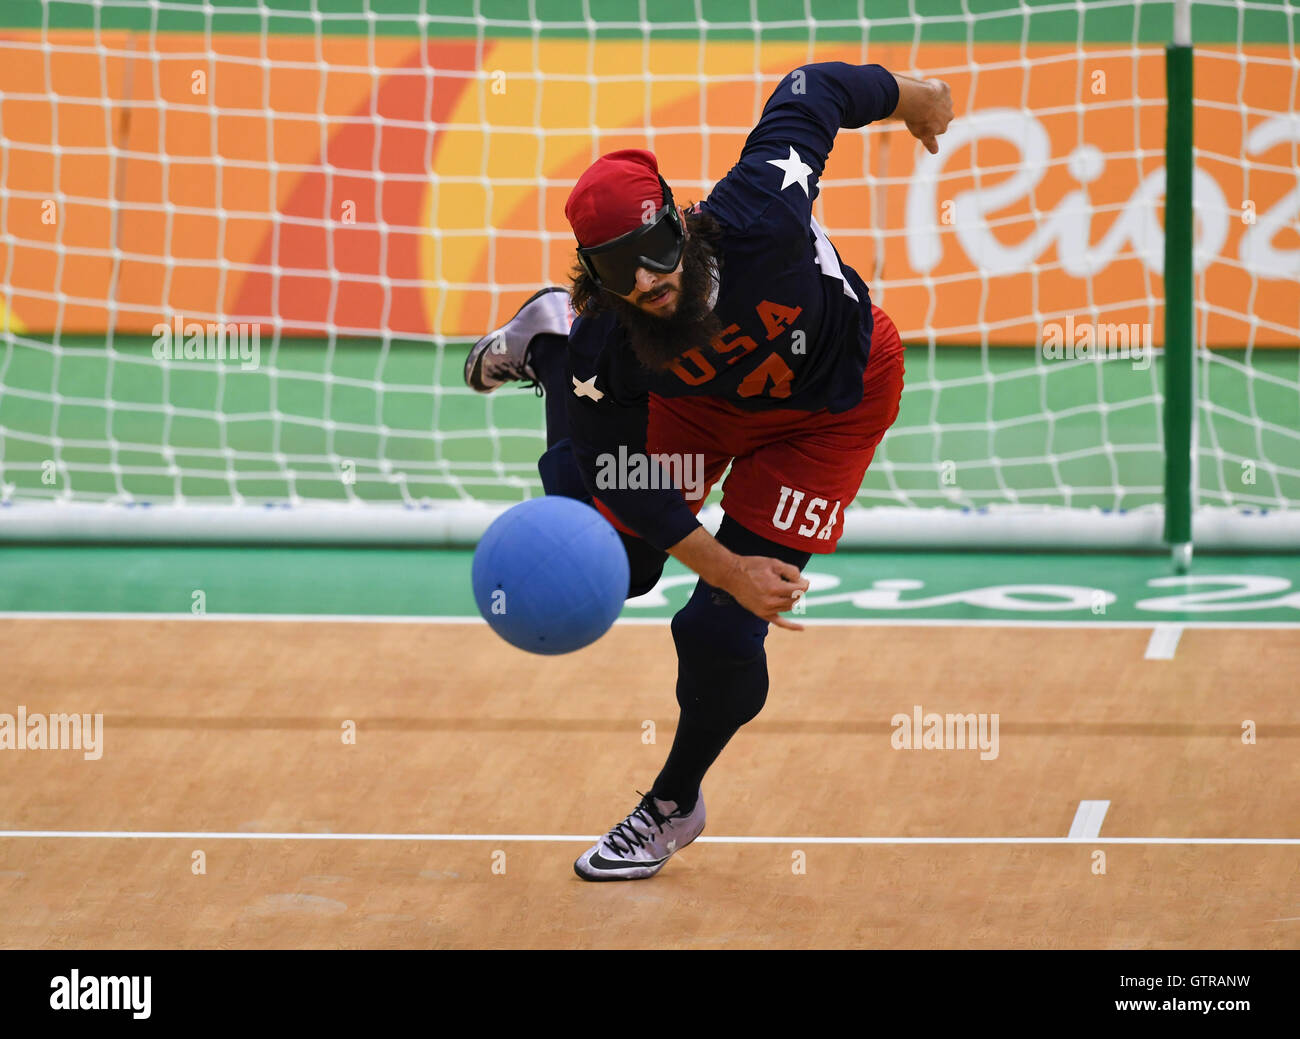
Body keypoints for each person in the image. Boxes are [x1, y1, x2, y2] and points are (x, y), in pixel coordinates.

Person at [464, 62, 953, 880]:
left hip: (830, 408)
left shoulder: (761, 207)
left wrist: (914, 98)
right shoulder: (613, 341)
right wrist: (723, 562)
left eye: (657, 251)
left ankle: (670, 805)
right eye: (620, 271)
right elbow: (615, 469)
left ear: (680, 226)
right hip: (691, 403)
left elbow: (816, 87)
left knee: (722, 628)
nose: (649, 280)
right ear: (597, 276)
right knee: (611, 564)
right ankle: (550, 344)